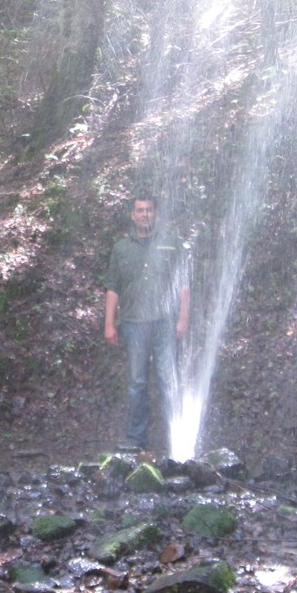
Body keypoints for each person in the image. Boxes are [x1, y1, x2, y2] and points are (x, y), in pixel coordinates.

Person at [104, 193, 190, 453]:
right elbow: (113, 288)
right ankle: (136, 439)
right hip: (133, 323)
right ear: (133, 215)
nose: (145, 215)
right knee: (137, 382)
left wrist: (183, 319)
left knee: (168, 380)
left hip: (164, 322)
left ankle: (177, 438)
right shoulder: (121, 248)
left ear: (156, 214)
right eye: (140, 210)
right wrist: (109, 324)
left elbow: (184, 285)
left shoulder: (172, 243)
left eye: (149, 210)